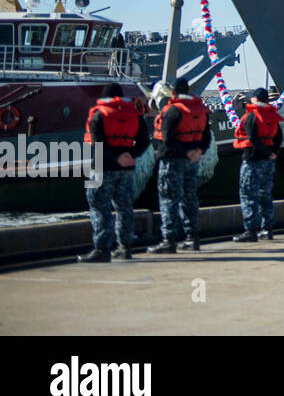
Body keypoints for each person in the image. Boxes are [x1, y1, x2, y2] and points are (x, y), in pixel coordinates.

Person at [78, 83, 150, 263]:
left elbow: (97, 143)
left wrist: (117, 157)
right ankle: (124, 248)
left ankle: (101, 249)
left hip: (103, 166)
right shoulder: (135, 115)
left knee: (99, 207)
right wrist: (130, 155)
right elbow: (144, 141)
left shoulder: (99, 115)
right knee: (124, 207)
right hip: (127, 169)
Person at [147, 78, 211, 253]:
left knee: (169, 199)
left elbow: (168, 139)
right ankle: (192, 238)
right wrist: (197, 152)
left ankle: (169, 240)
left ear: (173, 92)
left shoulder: (172, 111)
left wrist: (184, 153)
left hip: (172, 161)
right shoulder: (201, 110)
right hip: (193, 162)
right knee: (190, 198)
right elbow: (206, 137)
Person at [232, 88, 283, 242]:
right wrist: (272, 152)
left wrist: (266, 152)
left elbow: (252, 138)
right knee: (265, 194)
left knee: (248, 195)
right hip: (268, 162)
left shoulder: (251, 116)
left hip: (252, 160)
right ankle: (267, 229)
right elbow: (279, 137)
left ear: (254, 99)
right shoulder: (272, 115)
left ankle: (250, 230)